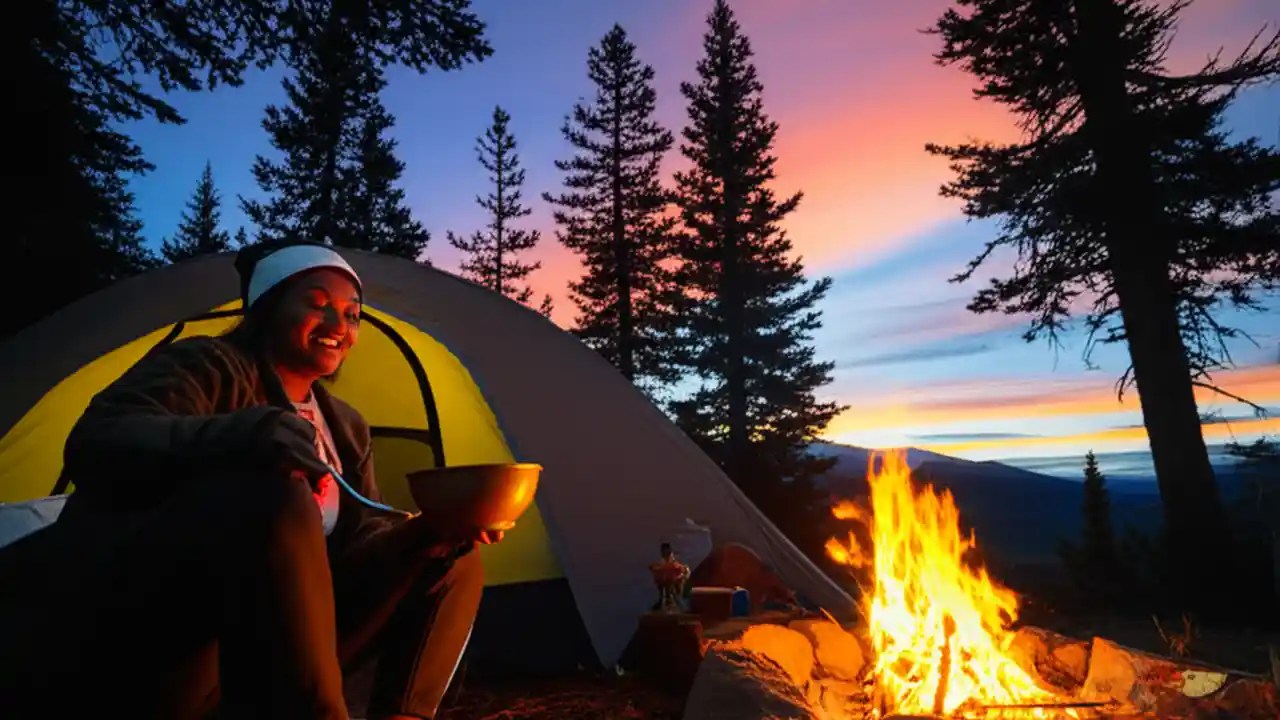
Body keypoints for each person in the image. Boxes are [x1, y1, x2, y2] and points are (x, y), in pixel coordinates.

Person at [0, 241, 502, 719]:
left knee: (450, 551)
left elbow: (361, 536)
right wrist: (245, 431)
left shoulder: (345, 426)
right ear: (268, 308)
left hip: (285, 630)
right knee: (274, 492)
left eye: (352, 314)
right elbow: (99, 441)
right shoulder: (208, 364)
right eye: (318, 304)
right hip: (166, 627)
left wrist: (428, 530)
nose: (339, 325)